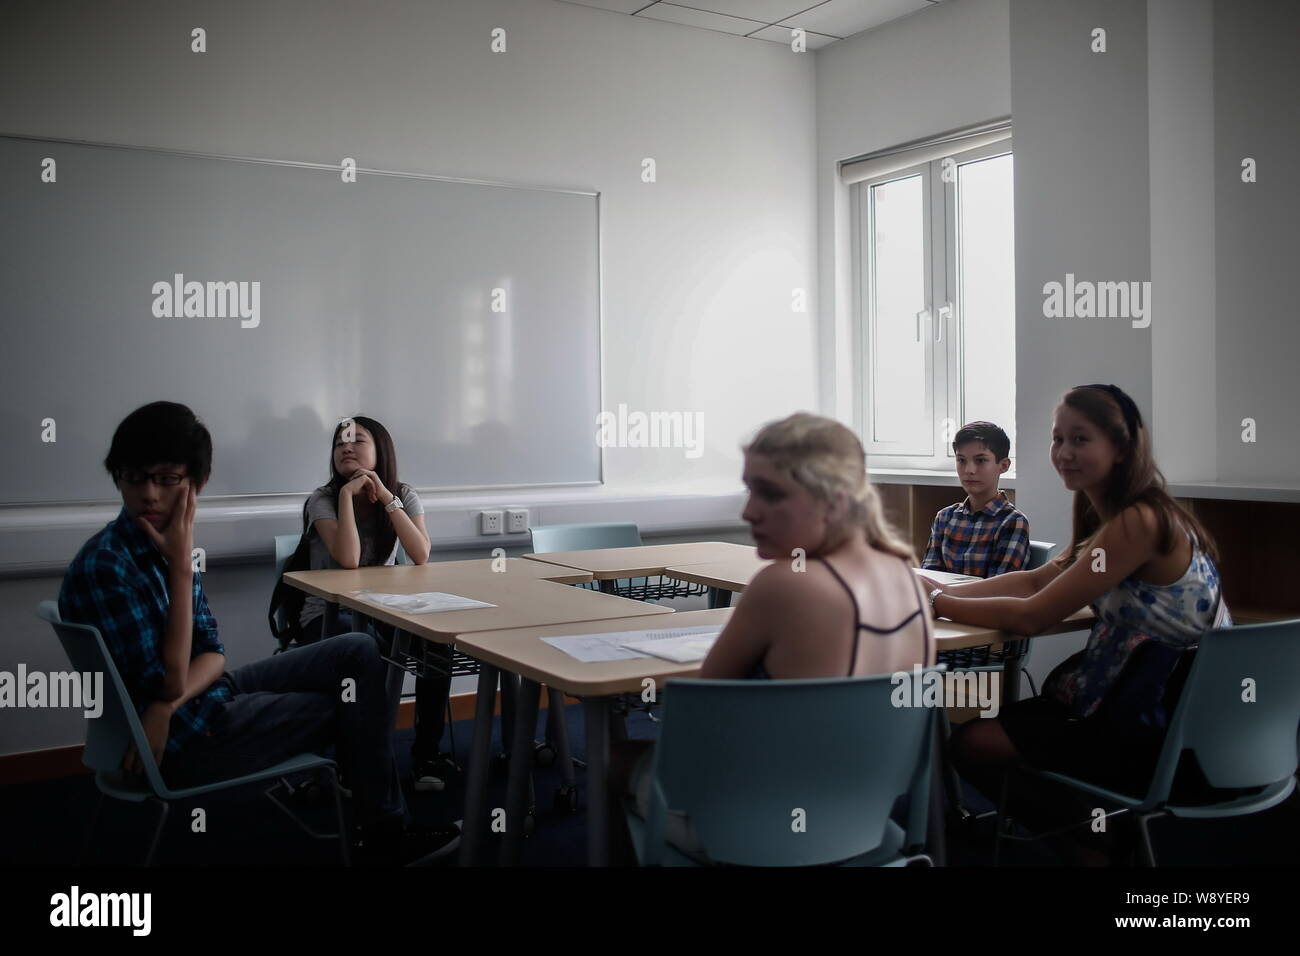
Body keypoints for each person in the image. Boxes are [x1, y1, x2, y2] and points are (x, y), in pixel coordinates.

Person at [58, 402, 457, 864]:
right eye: (134, 477)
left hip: (197, 701)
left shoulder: (160, 543)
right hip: (186, 738)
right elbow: (165, 683)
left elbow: (213, 655)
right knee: (354, 704)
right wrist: (183, 572)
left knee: (358, 650)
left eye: (166, 479)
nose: (149, 495)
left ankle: (380, 795)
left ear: (196, 483)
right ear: (117, 477)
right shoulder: (111, 564)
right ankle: (386, 836)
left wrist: (168, 700)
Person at [921, 385, 1231, 864]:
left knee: (974, 743)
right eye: (1057, 438)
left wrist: (938, 602)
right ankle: (1097, 833)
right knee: (989, 734)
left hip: (1159, 715)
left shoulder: (1137, 523)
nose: (1063, 453)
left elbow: (1034, 614)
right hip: (1168, 698)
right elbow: (1034, 581)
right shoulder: (1121, 514)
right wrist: (944, 593)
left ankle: (1091, 845)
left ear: (1123, 447)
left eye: (1080, 439)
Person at [611, 412, 934, 860]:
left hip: (755, 832)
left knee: (614, 759)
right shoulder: (911, 582)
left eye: (770, 493)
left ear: (834, 502)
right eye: (749, 490)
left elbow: (690, 734)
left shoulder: (786, 583)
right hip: (867, 826)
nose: (748, 511)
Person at [294, 415, 456, 792]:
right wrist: (348, 497)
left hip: (385, 608)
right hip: (327, 612)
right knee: (369, 651)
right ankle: (358, 762)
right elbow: (348, 560)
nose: (346, 447)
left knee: (438, 645)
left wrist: (384, 496)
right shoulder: (322, 499)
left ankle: (426, 756)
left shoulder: (403, 493)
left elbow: (420, 553)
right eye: (339, 443)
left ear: (380, 450)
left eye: (357, 440)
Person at [921, 420, 1030, 578]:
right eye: (961, 460)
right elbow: (928, 578)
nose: (969, 470)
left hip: (979, 603)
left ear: (1004, 465)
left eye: (980, 460)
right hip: (940, 601)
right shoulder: (944, 518)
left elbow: (999, 590)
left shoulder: (1013, 522)